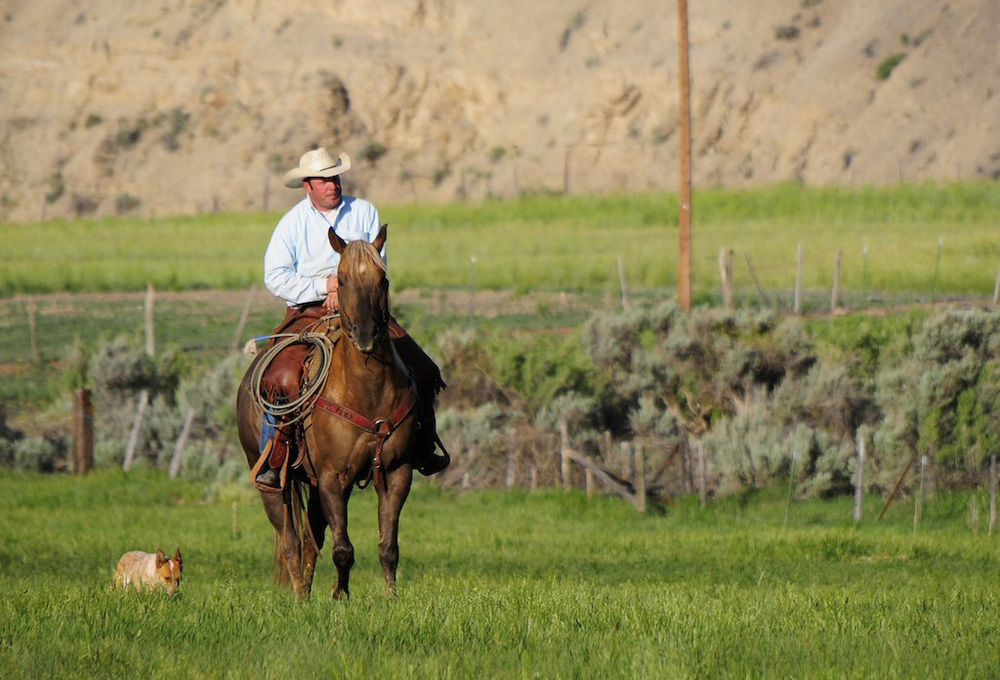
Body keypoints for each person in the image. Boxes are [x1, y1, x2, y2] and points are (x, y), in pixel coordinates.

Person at [253, 147, 449, 492]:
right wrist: (323, 286)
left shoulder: (364, 211)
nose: (333, 184)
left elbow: (377, 264)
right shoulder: (291, 225)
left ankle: (422, 444)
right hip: (308, 312)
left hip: (363, 309)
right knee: (280, 377)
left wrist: (345, 290)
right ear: (307, 186)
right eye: (324, 180)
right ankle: (274, 455)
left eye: (335, 177)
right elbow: (276, 277)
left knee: (424, 368)